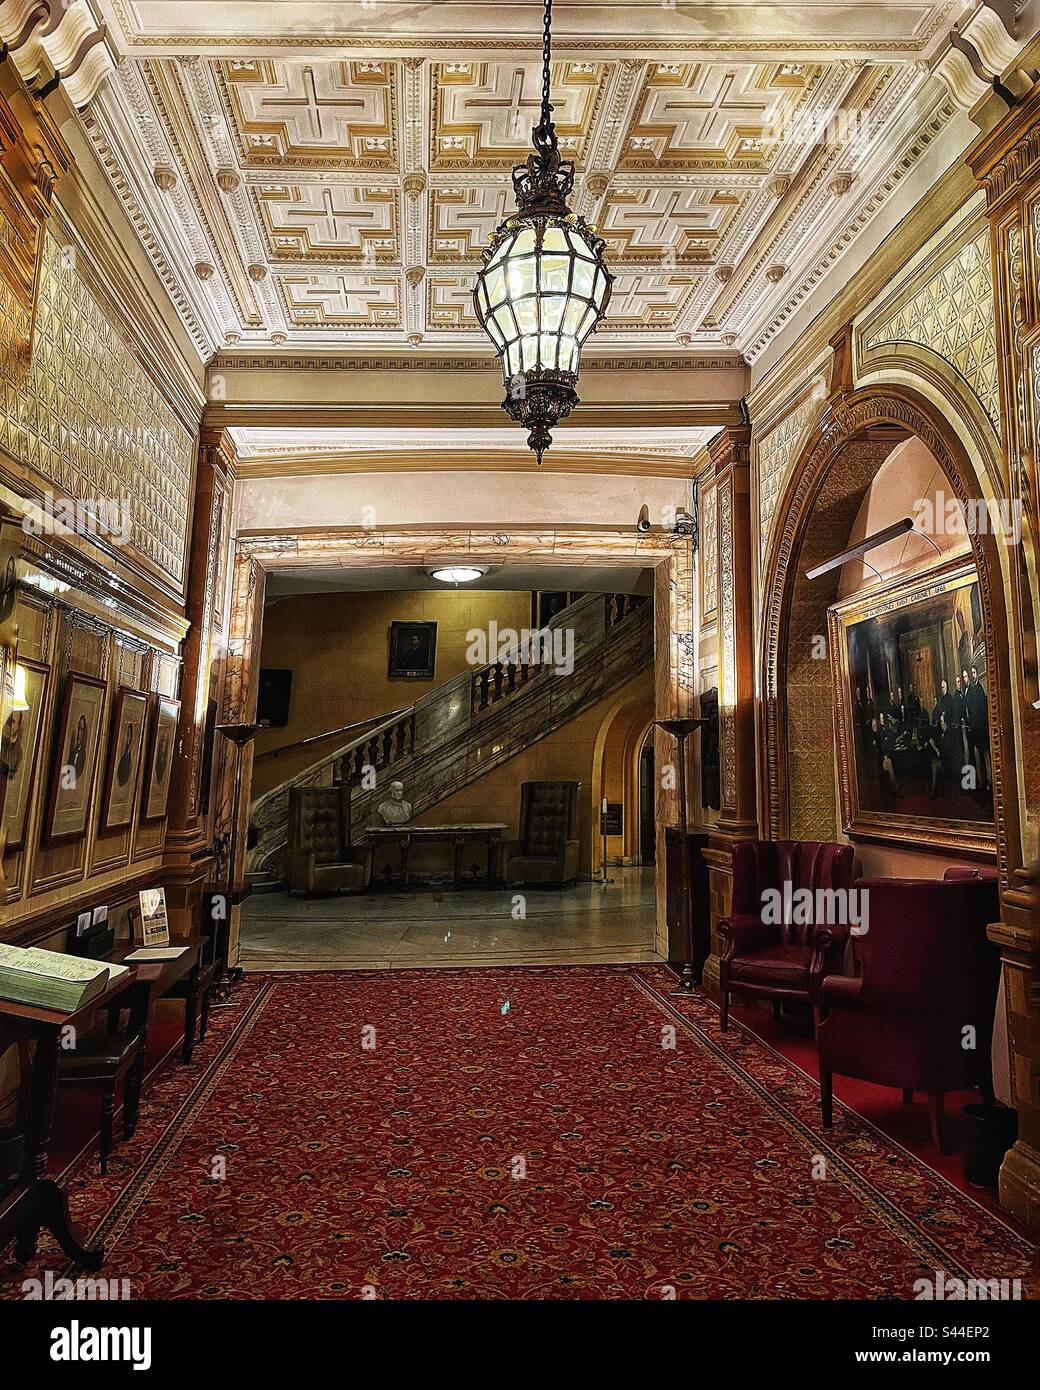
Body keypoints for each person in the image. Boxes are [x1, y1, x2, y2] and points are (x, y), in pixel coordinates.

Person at [965, 664, 992, 792]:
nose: (973, 675)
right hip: (974, 728)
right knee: (977, 755)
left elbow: (983, 710)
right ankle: (981, 782)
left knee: (986, 754)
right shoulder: (969, 691)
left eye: (975, 673)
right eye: (972, 673)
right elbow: (968, 709)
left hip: (981, 728)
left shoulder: (980, 689)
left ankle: (989, 781)